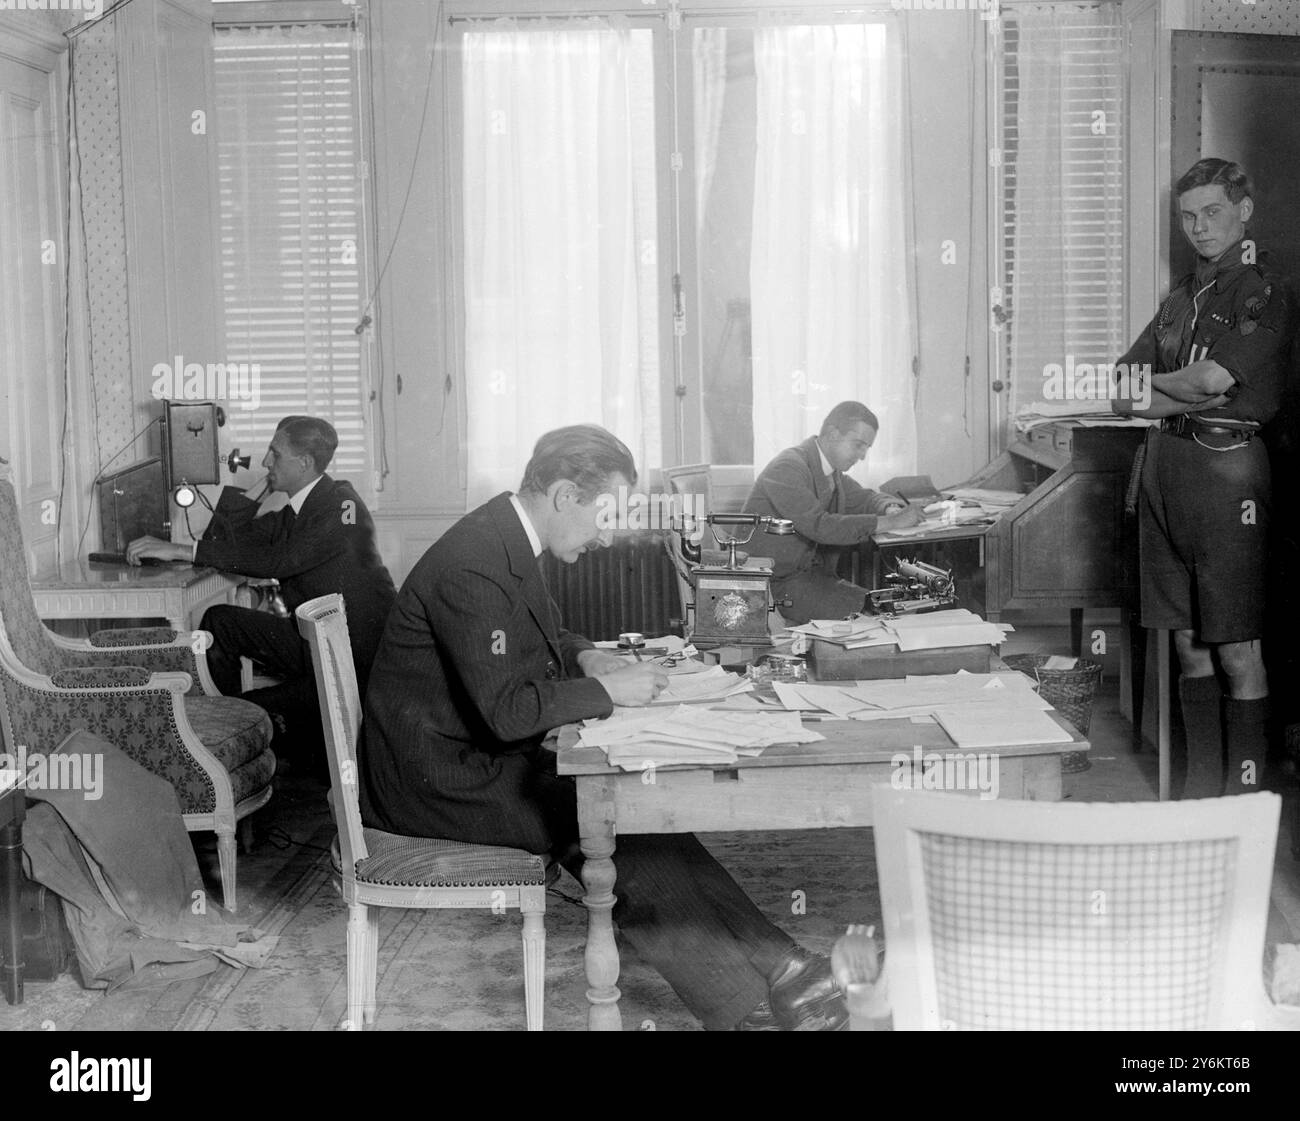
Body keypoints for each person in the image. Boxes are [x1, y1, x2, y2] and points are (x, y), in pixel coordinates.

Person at [360, 424, 847, 1030]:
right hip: (434, 782)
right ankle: (757, 1001)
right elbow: (507, 712)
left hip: (471, 757)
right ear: (566, 495)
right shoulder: (474, 567)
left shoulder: (504, 537)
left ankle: (786, 974)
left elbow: (538, 638)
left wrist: (587, 656)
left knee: (629, 807)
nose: (609, 532)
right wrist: (607, 692)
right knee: (602, 823)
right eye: (607, 513)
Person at [1110, 158, 1295, 798]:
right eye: (1189, 216)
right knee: (1187, 643)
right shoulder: (1180, 298)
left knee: (1238, 649)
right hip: (1166, 470)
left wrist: (1175, 389)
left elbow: (1216, 380)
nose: (1200, 227)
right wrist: (1184, 391)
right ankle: (1197, 797)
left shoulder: (1265, 288)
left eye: (1213, 212)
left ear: (1244, 210)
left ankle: (1240, 806)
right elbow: (1119, 389)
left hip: (1228, 473)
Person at [127, 416, 396, 761]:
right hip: (313, 643)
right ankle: (227, 722)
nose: (266, 461)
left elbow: (282, 560)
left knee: (251, 716)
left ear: (304, 463)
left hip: (349, 659)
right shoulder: (296, 511)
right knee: (220, 621)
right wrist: (261, 489)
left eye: (275, 453)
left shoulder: (343, 506)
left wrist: (179, 550)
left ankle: (227, 737)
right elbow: (221, 540)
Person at [743, 401, 922, 624]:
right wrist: (892, 522)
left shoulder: (829, 471)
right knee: (888, 613)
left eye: (866, 448)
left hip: (807, 579)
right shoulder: (788, 467)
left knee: (898, 605)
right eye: (858, 445)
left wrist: (889, 506)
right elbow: (820, 525)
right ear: (832, 434)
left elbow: (865, 497)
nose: (863, 455)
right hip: (771, 586)